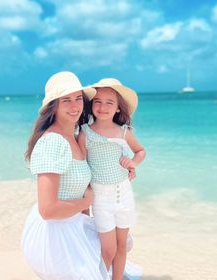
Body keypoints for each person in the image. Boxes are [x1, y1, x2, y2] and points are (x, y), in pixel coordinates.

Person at [21, 71, 110, 280]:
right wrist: (87, 200)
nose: (75, 106)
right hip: (54, 237)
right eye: (66, 100)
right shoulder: (53, 142)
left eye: (78, 98)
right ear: (55, 106)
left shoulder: (76, 137)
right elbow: (48, 210)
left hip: (73, 226)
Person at [78, 78, 146, 280]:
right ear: (91, 106)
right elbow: (82, 169)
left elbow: (141, 151)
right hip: (100, 198)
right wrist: (84, 207)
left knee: (121, 246)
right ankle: (98, 276)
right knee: (107, 250)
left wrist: (133, 163)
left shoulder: (124, 132)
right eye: (97, 101)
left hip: (124, 194)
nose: (103, 106)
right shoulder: (84, 134)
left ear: (118, 108)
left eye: (110, 102)